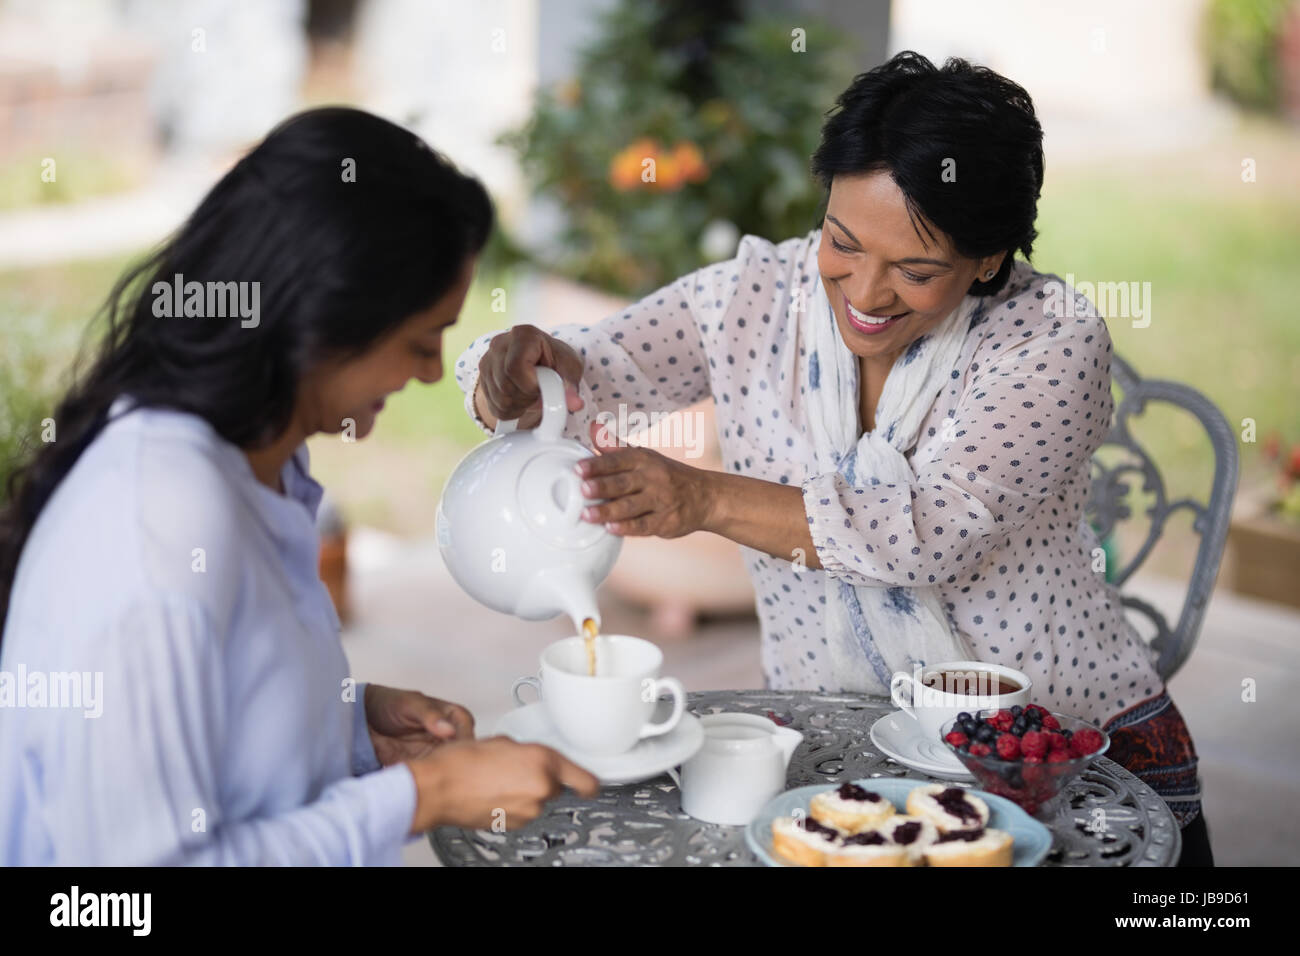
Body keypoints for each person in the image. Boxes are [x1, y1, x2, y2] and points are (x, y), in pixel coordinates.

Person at [458, 52, 1212, 865]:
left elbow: (922, 534)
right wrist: (519, 378)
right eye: (842, 242)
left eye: (916, 270)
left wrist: (706, 500)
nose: (866, 291)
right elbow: (597, 366)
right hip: (841, 754)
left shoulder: (1050, 339)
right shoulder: (754, 296)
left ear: (988, 259)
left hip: (1063, 762)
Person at [0, 107, 598, 866]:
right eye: (420, 342)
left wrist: (343, 726)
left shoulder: (266, 464)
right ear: (318, 322)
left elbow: (207, 724)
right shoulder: (159, 526)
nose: (424, 372)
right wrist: (425, 797)